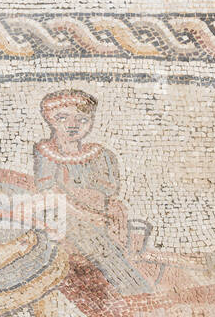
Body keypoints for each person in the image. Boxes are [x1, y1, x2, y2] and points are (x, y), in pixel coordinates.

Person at [32, 88, 149, 292]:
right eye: (62, 118)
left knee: (117, 218)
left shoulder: (101, 154)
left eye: (82, 119)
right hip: (64, 215)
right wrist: (87, 214)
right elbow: (50, 194)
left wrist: (104, 212)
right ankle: (132, 288)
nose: (72, 125)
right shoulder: (47, 153)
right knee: (90, 235)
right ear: (51, 119)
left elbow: (107, 193)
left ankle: (132, 281)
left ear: (91, 122)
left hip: (97, 213)